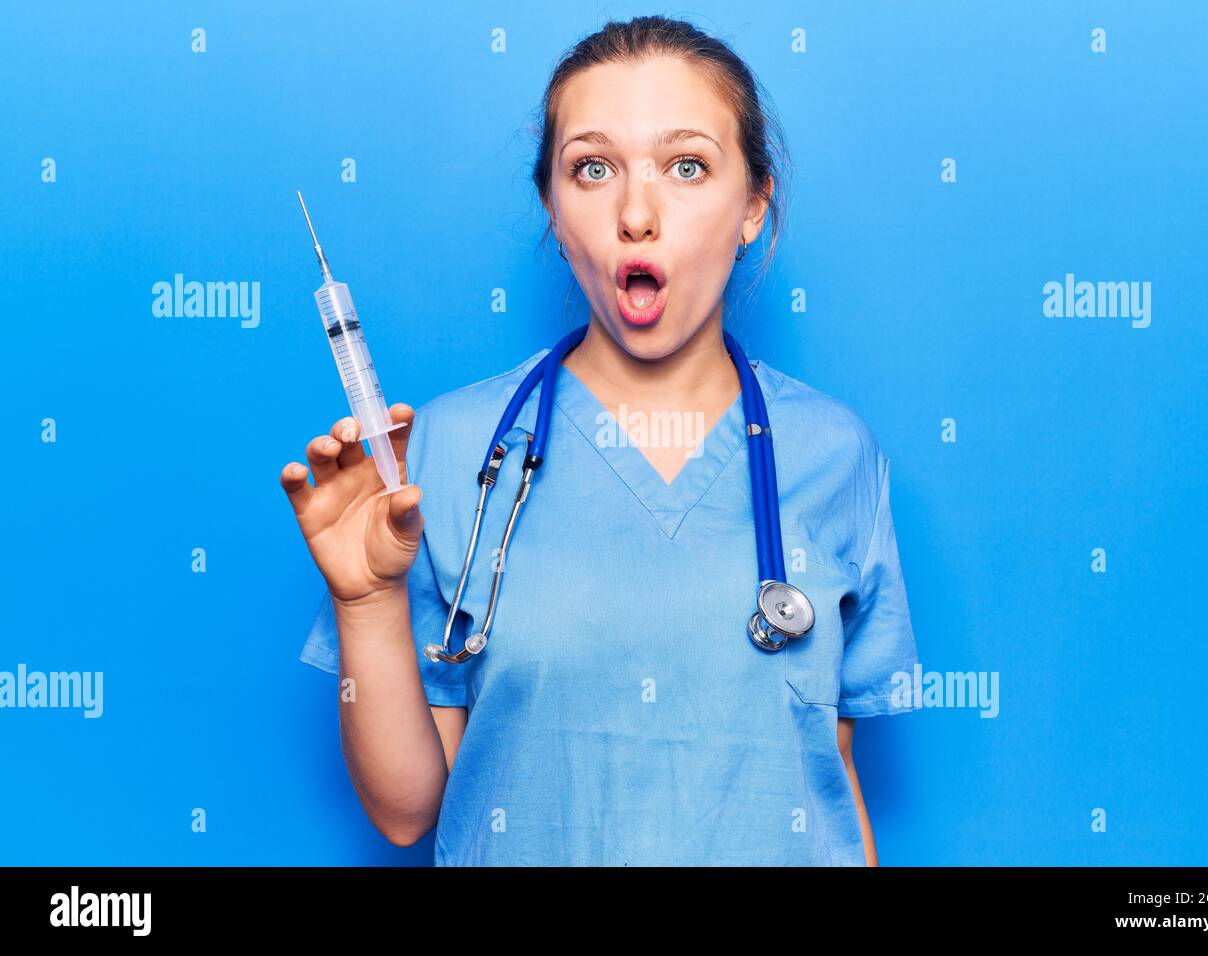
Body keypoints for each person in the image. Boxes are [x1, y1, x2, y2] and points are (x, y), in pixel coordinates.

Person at [282, 14, 920, 866]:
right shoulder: (442, 452)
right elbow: (406, 814)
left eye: (687, 165)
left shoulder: (834, 455)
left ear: (754, 208)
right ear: (553, 206)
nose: (637, 213)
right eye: (592, 168)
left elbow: (826, 781)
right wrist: (366, 603)